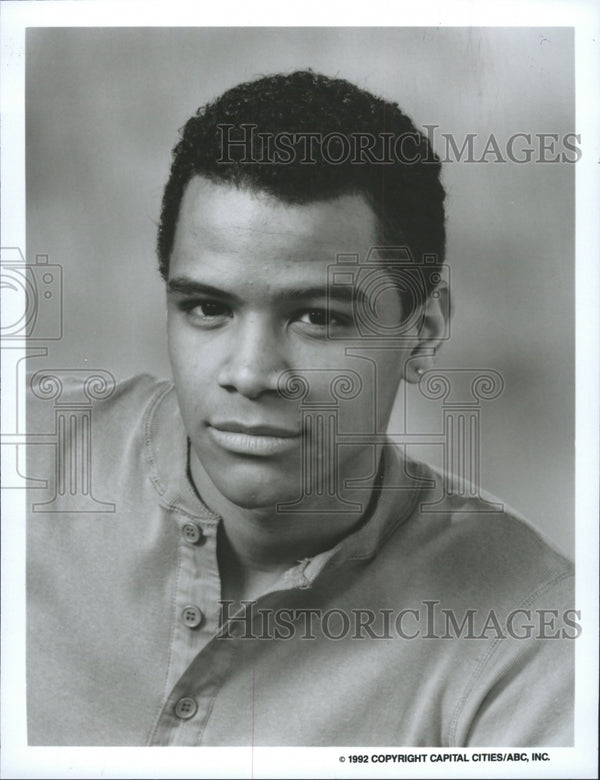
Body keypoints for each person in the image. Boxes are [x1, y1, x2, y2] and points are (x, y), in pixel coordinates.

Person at [27, 70, 575, 746]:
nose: (251, 373)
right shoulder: (27, 465)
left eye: (318, 317)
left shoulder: (530, 633)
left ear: (424, 330)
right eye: (208, 307)